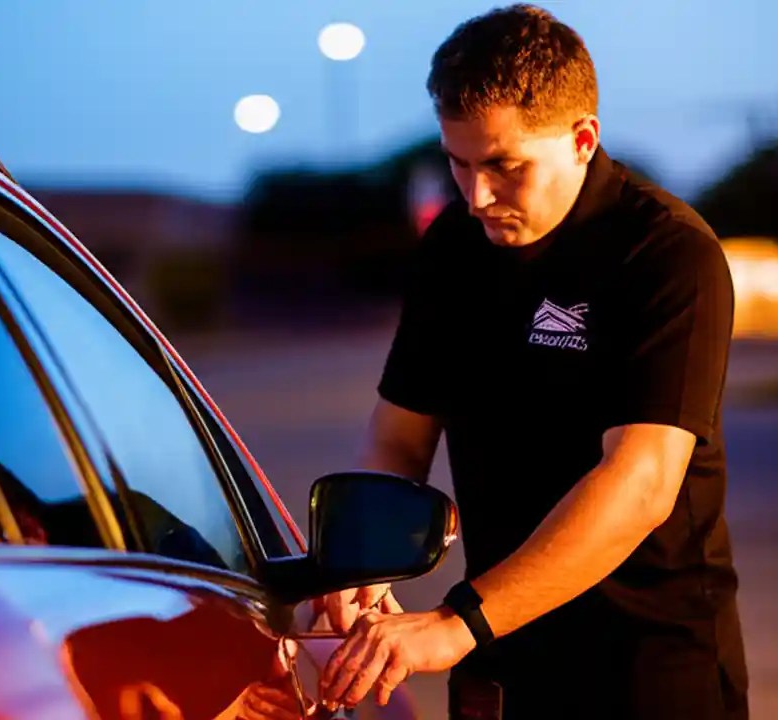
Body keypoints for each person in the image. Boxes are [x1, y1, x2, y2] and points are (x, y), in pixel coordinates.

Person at [317, 5, 747, 718]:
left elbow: (639, 482)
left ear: (582, 139)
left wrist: (457, 623)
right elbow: (398, 438)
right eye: (457, 164)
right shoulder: (453, 249)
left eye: (503, 166)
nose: (477, 195)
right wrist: (363, 556)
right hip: (501, 667)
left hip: (647, 666)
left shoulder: (667, 254)